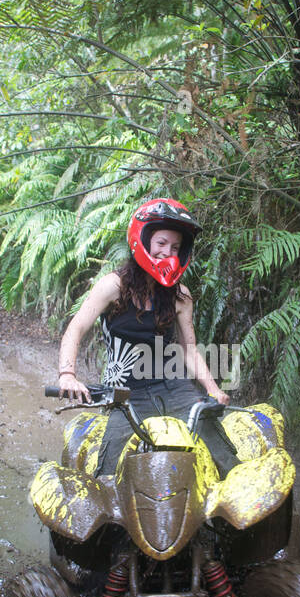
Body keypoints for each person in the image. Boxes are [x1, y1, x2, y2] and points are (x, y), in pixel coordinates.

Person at [56, 198, 238, 476]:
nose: (168, 252)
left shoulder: (181, 295)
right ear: (142, 241)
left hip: (174, 386)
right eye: (162, 243)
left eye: (176, 247)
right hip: (126, 392)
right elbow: (76, 328)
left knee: (222, 455)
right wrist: (67, 374)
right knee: (107, 474)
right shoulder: (112, 286)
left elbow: (189, 350)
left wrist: (212, 389)